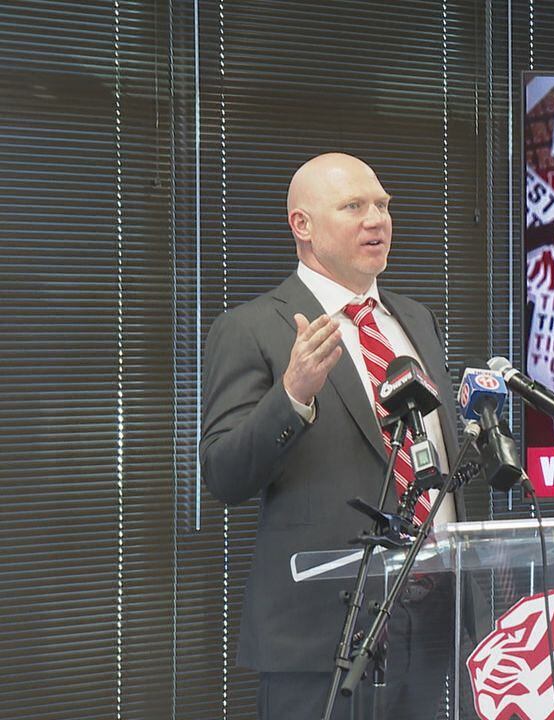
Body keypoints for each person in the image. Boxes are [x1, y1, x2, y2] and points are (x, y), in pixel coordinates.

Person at [201, 153, 463, 719]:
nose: (377, 219)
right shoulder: (252, 328)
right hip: (321, 638)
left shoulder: (415, 320)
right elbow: (223, 474)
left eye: (383, 205)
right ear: (303, 225)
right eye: (354, 207)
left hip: (433, 626)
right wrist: (292, 393)